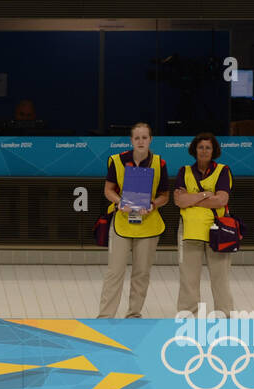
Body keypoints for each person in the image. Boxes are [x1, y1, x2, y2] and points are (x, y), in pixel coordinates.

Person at [97, 122, 169, 318]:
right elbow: (108, 190)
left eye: (144, 137)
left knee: (141, 273)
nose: (140, 141)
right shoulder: (117, 160)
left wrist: (153, 205)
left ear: (150, 140)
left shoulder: (159, 163)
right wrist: (120, 203)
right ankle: (105, 316)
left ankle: (134, 315)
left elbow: (165, 195)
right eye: (137, 138)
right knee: (115, 272)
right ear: (131, 140)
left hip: (148, 224)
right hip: (122, 221)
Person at [173, 132, 233, 315]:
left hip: (217, 231)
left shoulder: (223, 170)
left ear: (214, 150)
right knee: (188, 279)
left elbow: (221, 200)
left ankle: (225, 316)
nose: (204, 151)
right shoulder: (185, 171)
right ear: (194, 150)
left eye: (208, 147)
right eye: (201, 147)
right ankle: (187, 316)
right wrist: (206, 194)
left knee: (220, 279)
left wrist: (191, 199)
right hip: (189, 231)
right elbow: (179, 201)